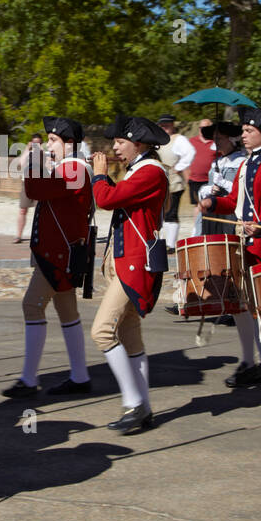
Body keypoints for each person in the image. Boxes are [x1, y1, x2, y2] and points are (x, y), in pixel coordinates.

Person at [2, 117, 94, 398]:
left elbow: (35, 189)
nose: (49, 145)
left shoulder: (75, 169)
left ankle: (29, 380)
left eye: (54, 140)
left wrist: (33, 161)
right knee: (67, 312)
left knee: (32, 306)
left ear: (70, 143)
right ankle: (80, 376)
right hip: (59, 252)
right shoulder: (70, 167)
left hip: (59, 255)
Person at [202, 108, 261, 387]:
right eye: (243, 131)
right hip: (242, 242)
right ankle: (249, 361)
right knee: (240, 307)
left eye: (248, 131)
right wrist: (214, 203)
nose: (242, 134)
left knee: (256, 308)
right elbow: (234, 202)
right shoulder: (245, 165)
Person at [90, 115, 169, 434]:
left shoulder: (150, 172)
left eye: (120, 142)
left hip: (135, 264)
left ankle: (134, 403)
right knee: (130, 334)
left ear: (138, 143)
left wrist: (99, 175)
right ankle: (144, 407)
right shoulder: (140, 169)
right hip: (125, 261)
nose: (114, 148)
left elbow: (106, 199)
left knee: (102, 332)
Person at [196, 121, 245, 237]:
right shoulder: (217, 162)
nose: (216, 142)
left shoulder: (241, 162)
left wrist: (223, 183)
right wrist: (208, 189)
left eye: (219, 138)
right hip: (213, 213)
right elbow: (208, 186)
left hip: (229, 213)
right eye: (214, 139)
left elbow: (241, 190)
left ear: (231, 139)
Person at [155, 114, 194, 250]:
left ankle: (171, 244)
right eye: (162, 126)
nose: (164, 128)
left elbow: (190, 153)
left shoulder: (179, 140)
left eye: (167, 125)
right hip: (160, 181)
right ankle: (161, 241)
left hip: (174, 182)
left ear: (172, 125)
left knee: (171, 212)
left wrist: (179, 167)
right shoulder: (157, 140)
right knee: (160, 212)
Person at [187, 118, 217, 236]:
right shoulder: (192, 141)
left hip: (210, 180)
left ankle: (209, 230)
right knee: (197, 205)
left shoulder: (215, 142)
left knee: (210, 205)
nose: (202, 130)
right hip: (195, 179)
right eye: (200, 128)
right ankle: (197, 230)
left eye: (205, 128)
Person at [14, 132, 43, 243]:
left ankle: (39, 235)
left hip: (40, 184)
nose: (36, 145)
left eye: (38, 143)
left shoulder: (44, 153)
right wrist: (27, 148)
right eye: (34, 143)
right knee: (22, 210)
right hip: (26, 183)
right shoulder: (28, 153)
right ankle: (18, 235)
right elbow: (21, 163)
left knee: (40, 211)